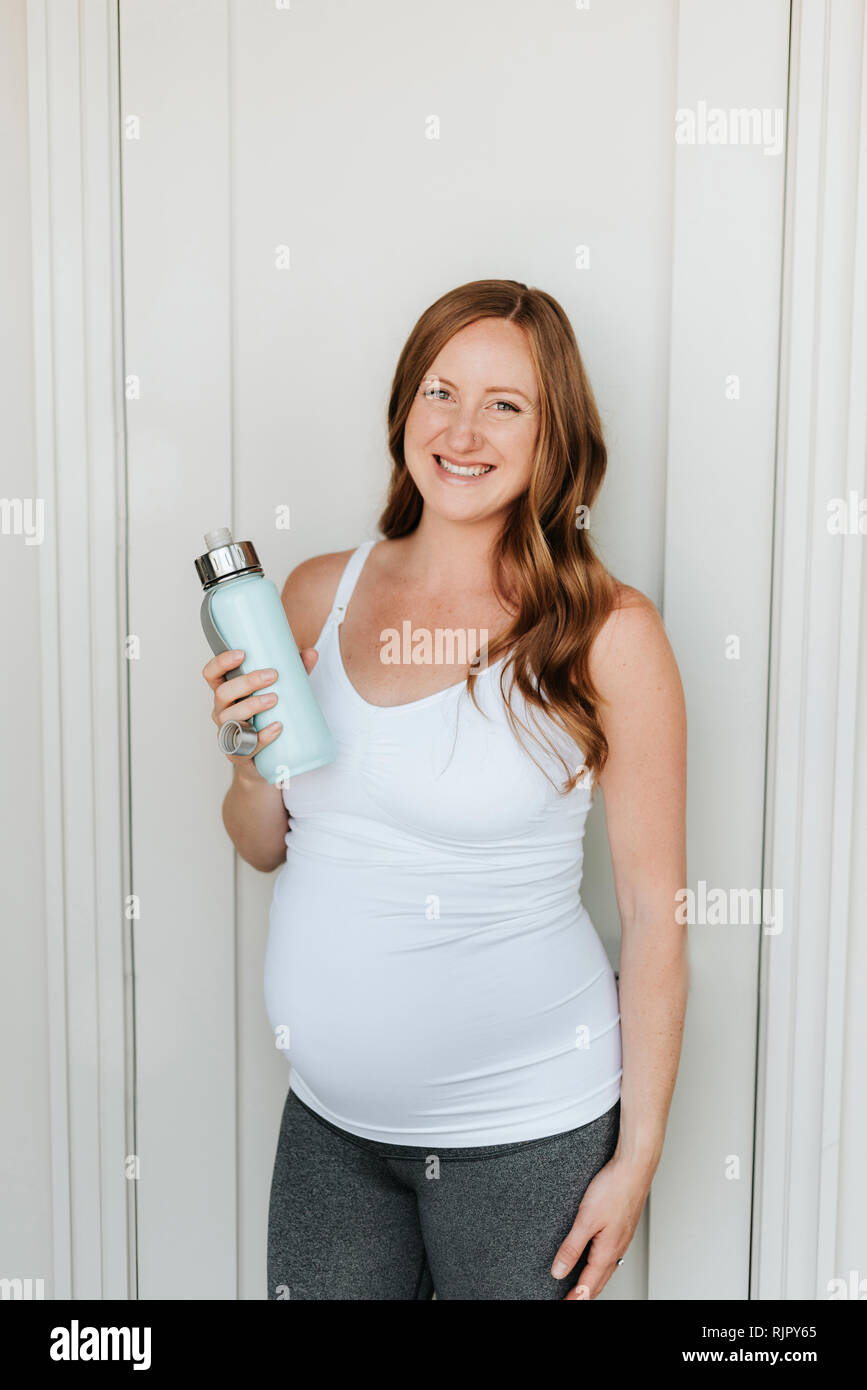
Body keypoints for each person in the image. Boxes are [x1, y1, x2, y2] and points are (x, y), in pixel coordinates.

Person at [201, 279, 688, 1300]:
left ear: (554, 435)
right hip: (330, 1126)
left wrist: (635, 1162)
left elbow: (655, 915)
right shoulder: (313, 593)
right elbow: (265, 842)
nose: (464, 430)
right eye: (440, 391)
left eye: (506, 404)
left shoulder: (610, 634)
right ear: (404, 409)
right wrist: (249, 760)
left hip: (525, 1136)